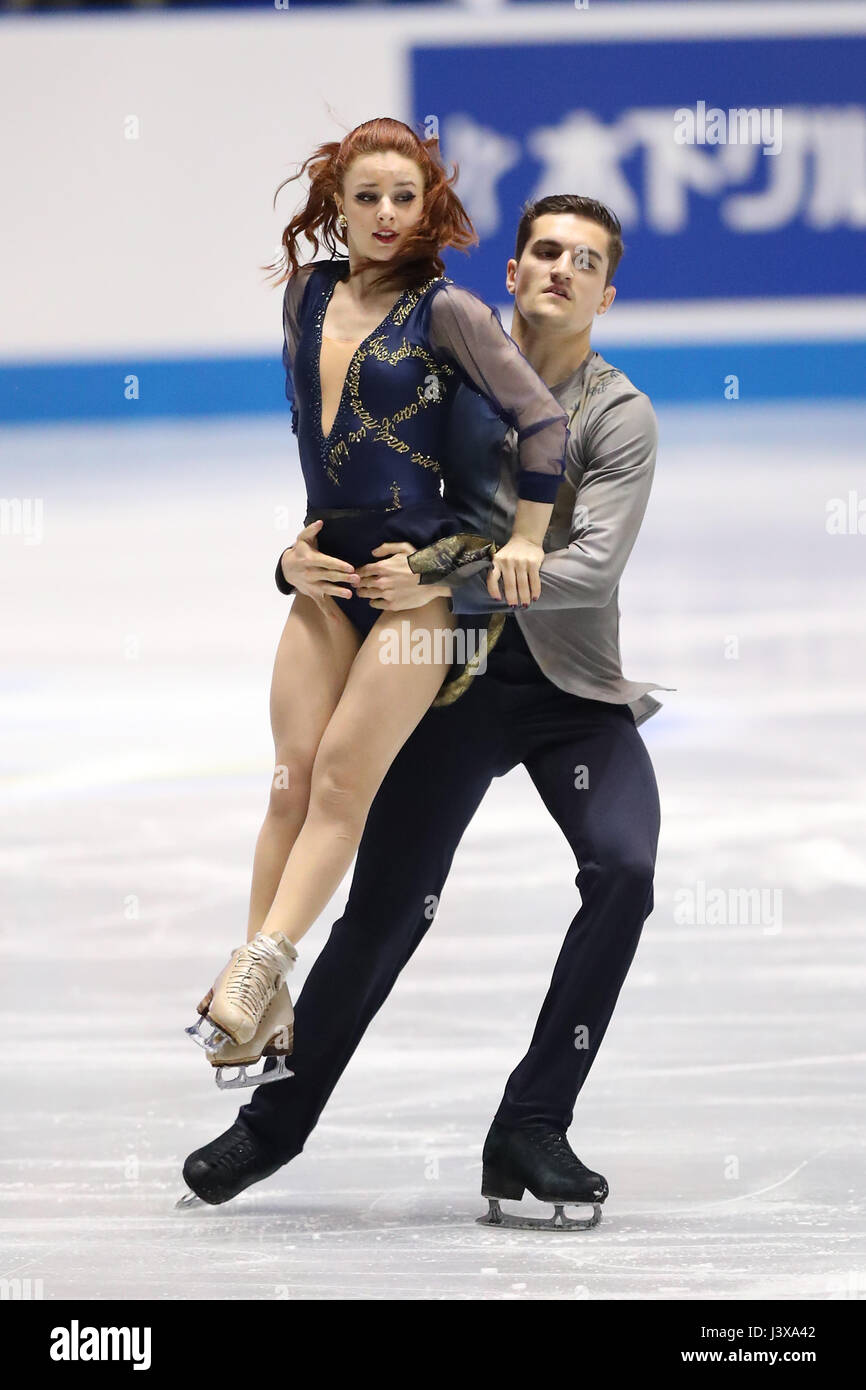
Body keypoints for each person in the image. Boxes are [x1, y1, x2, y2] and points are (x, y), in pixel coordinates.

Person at [181, 195, 671, 1228]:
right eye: (543, 249)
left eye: (584, 261)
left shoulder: (616, 416)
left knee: (623, 868)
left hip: (569, 692)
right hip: (450, 679)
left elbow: (584, 570)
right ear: (511, 269)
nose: (559, 270)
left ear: (606, 291)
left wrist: (454, 576)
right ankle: (274, 1121)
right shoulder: (447, 366)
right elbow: (369, 490)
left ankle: (531, 1121)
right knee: (386, 906)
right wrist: (292, 560)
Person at [186, 119, 569, 1076]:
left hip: (415, 590)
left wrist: (519, 539)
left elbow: (543, 423)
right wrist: (289, 556)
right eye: (368, 199)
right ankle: (264, 1005)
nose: (388, 216)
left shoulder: (450, 314)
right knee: (291, 779)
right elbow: (312, 446)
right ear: (339, 205)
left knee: (344, 783)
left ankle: (259, 963)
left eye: (406, 198)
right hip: (325, 580)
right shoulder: (308, 295)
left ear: (427, 205)